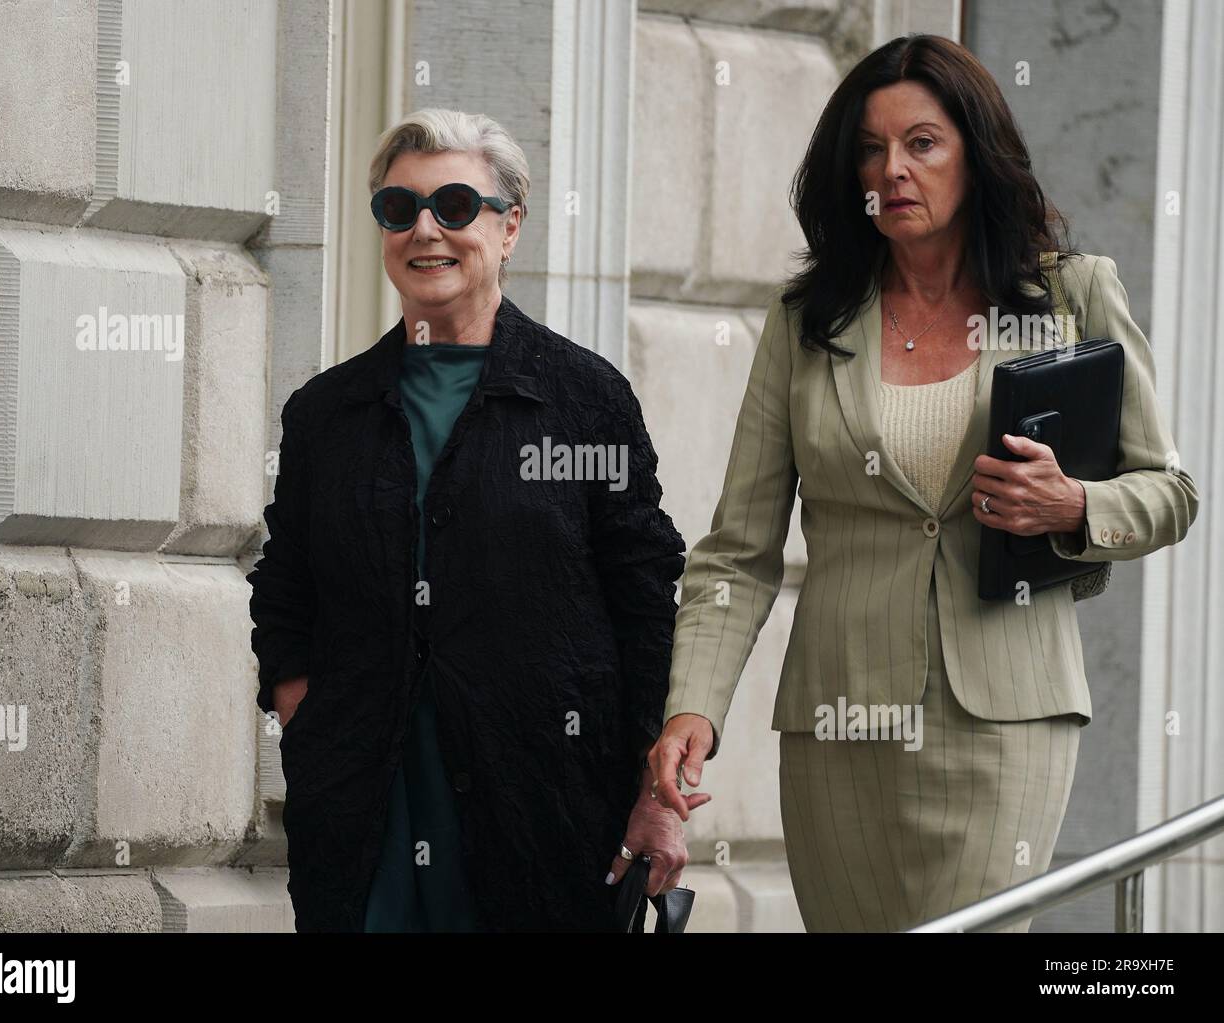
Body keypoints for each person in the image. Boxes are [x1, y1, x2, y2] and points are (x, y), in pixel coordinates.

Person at [649, 34, 1200, 932]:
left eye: (922, 143)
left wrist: (1074, 505)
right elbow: (738, 551)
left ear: (976, 156)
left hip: (1005, 718)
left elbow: (1170, 491)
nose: (892, 169)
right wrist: (692, 711)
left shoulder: (1072, 296)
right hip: (839, 726)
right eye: (871, 148)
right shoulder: (808, 323)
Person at [248, 108, 699, 932]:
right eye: (399, 208)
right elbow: (286, 587)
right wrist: (307, 725)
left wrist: (655, 794)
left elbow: (645, 600)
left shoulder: (584, 399)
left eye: (456, 206)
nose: (426, 228)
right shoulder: (327, 411)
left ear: (510, 226)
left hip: (546, 813)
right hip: (365, 811)